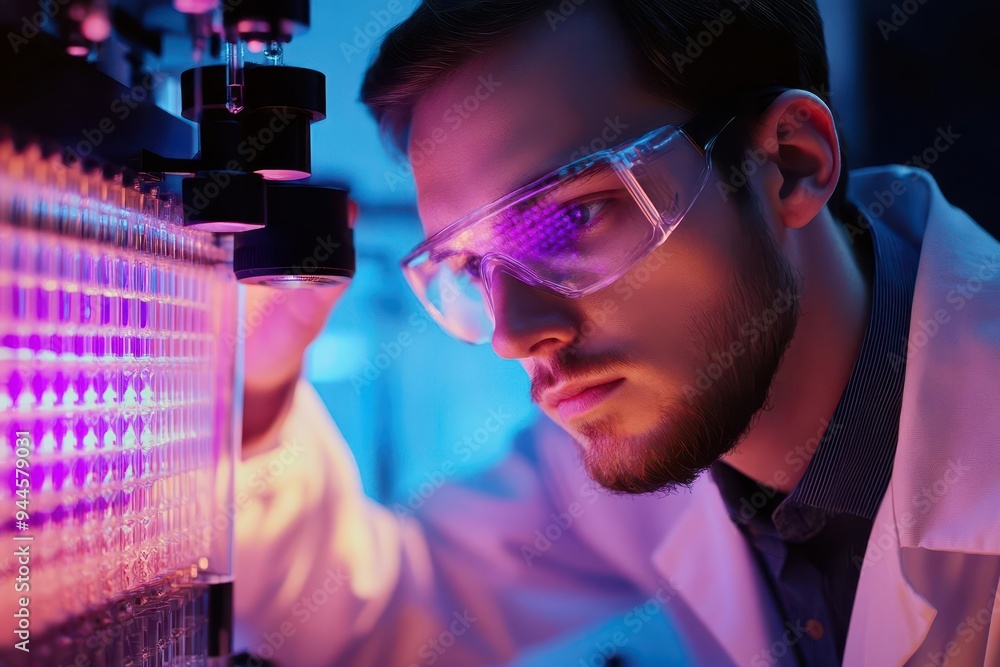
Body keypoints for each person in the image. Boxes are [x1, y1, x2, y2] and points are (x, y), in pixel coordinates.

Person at [232, 1, 1000, 665]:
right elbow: (386, 617)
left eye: (572, 216)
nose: (514, 333)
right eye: (470, 270)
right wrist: (263, 377)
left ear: (790, 162)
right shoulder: (648, 434)